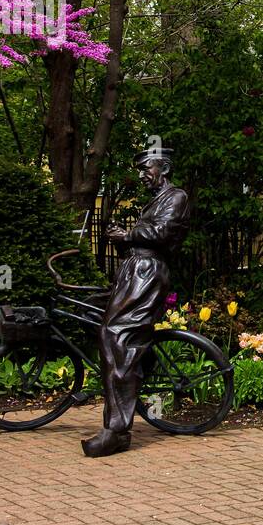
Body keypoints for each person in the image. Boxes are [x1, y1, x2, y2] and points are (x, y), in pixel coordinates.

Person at [82, 147, 190, 457]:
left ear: (164, 168)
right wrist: (124, 237)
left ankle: (116, 430)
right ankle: (137, 371)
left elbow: (162, 233)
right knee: (105, 326)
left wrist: (127, 235)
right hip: (136, 271)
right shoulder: (157, 200)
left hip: (147, 272)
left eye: (147, 168)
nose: (143, 175)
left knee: (115, 335)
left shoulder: (176, 197)